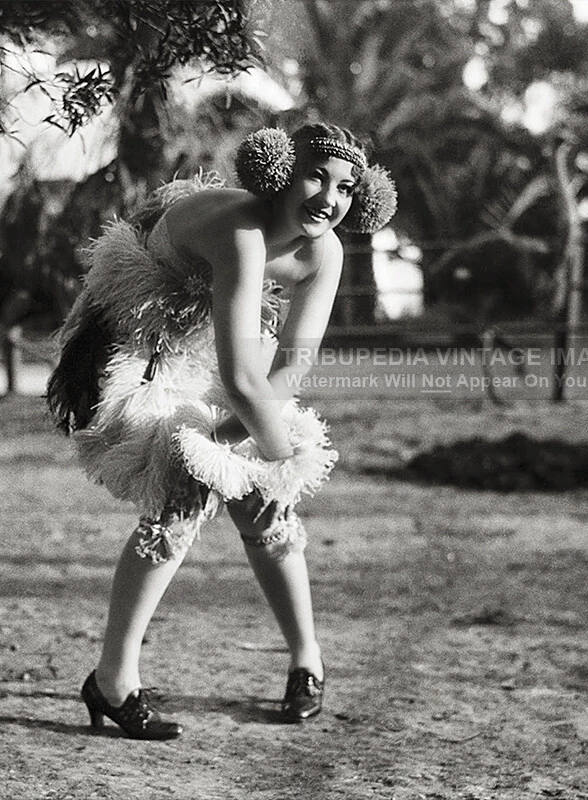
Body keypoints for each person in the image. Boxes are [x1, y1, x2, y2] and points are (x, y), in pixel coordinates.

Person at [46, 122, 397, 740]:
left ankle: (307, 659)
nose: (329, 199)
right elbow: (241, 380)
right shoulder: (241, 232)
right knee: (180, 497)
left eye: (346, 187)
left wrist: (265, 455)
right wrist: (279, 449)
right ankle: (112, 680)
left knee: (264, 504)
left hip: (215, 338)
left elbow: (292, 364)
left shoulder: (326, 250)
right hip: (144, 343)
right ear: (278, 170)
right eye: (316, 176)